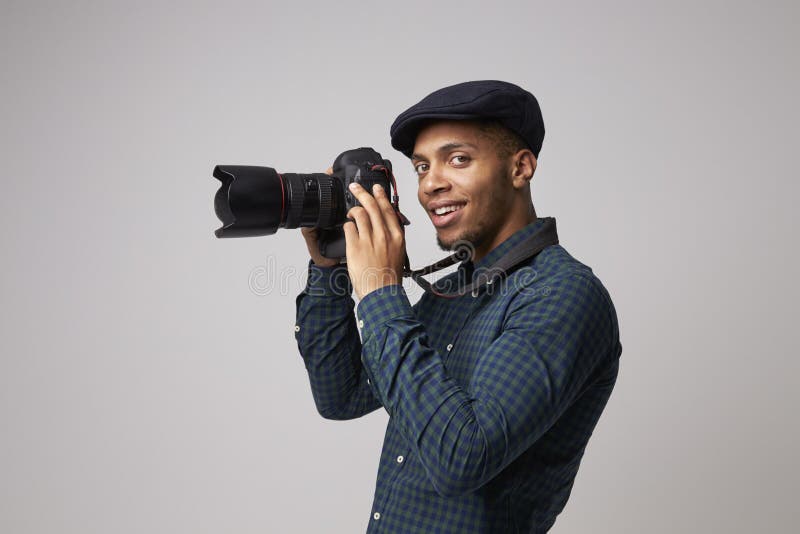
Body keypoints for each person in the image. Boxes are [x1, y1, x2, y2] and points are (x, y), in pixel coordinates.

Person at [293, 80, 622, 533]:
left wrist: (380, 292)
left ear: (520, 167)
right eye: (422, 167)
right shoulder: (450, 291)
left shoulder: (562, 294)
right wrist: (329, 267)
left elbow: (461, 458)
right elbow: (340, 394)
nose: (431, 183)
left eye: (458, 159)